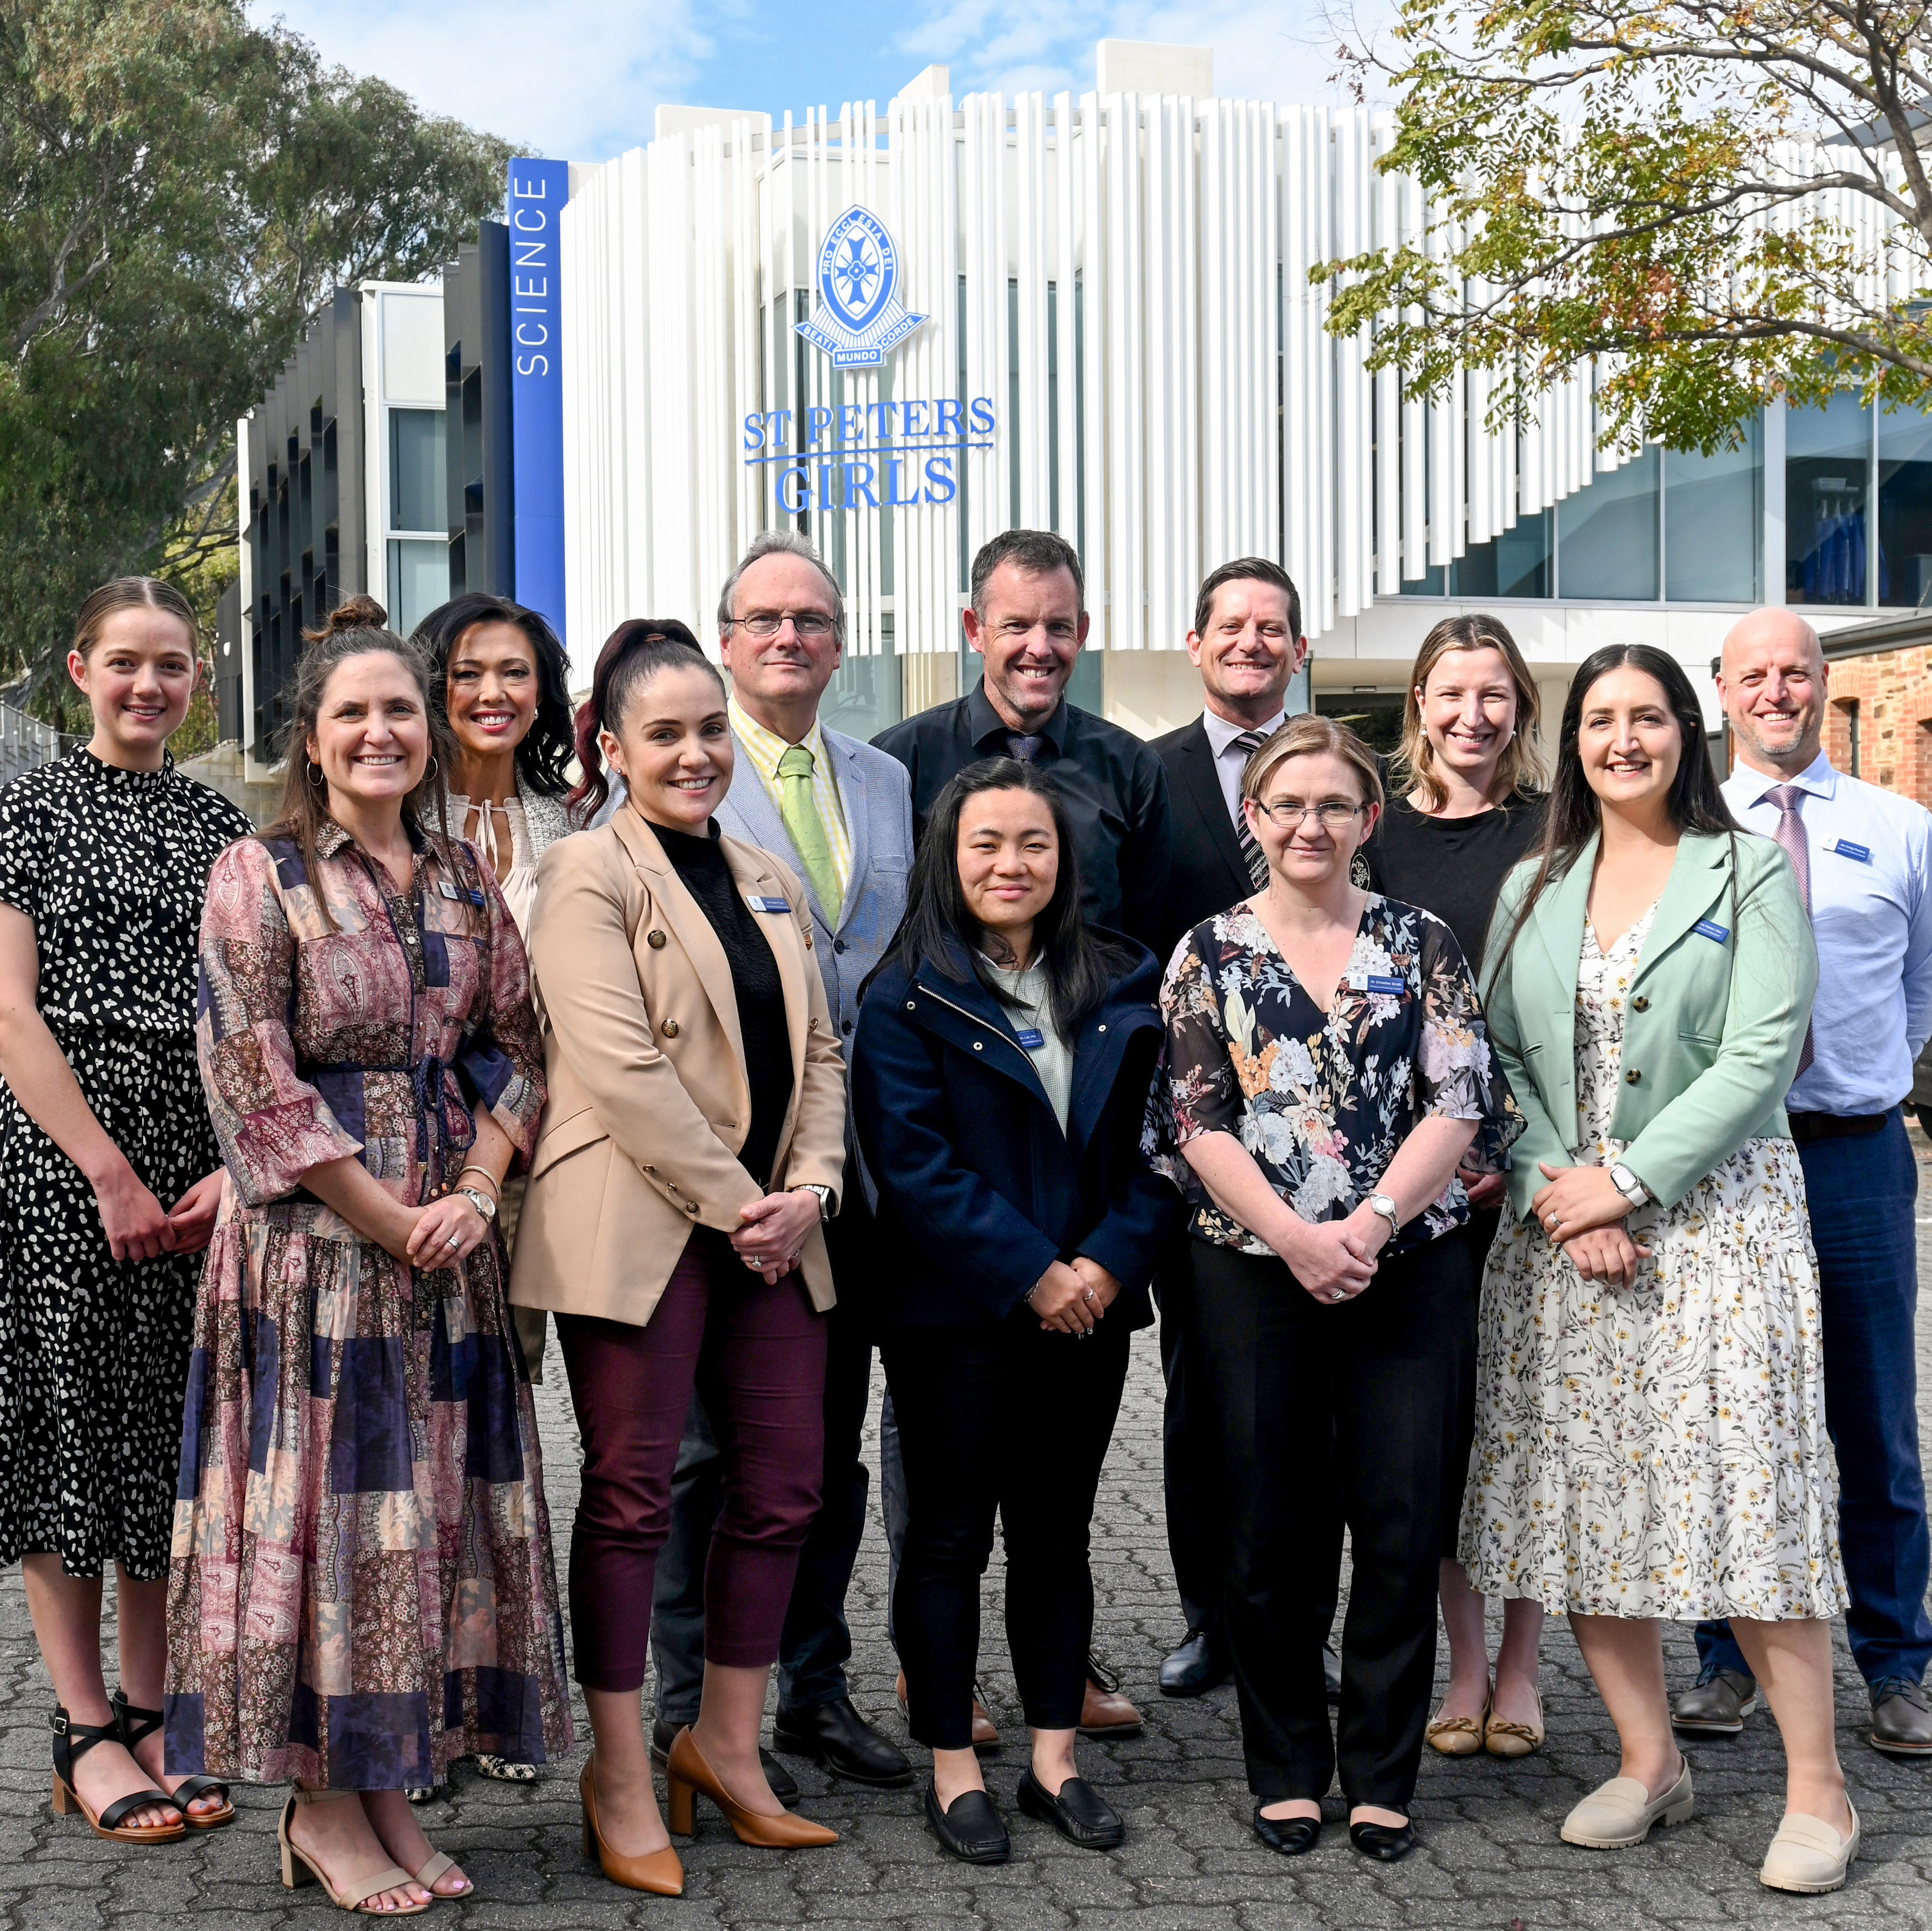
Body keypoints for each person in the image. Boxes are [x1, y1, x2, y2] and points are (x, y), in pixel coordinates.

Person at [168, 598, 572, 1915]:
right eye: (355, 711)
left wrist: (471, 1186)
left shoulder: (463, 880)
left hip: (445, 1255)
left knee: (423, 1536)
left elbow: (518, 1047)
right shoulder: (261, 874)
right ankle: (321, 1808)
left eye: (401, 707)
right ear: (314, 735)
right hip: (314, 1264)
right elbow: (251, 1081)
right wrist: (389, 1217)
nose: (383, 730)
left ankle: (393, 1786)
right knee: (327, 1538)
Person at [1466, 643, 1856, 1894]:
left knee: (1745, 1504)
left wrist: (1626, 1181)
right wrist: (1555, 1193)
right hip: (1560, 1244)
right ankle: (1647, 1760)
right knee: (1587, 1504)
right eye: (1596, 719)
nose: (1619, 739)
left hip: (1717, 1233)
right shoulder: (1533, 881)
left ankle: (1817, 1788)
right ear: (1569, 740)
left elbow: (1761, 1053)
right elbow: (1495, 1063)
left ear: (1685, 732)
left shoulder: (1745, 869)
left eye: (1644, 717)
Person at [511, 622, 848, 1894]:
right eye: (665, 733)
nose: (696, 752)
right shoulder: (582, 873)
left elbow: (820, 1053)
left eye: (711, 729)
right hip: (646, 1229)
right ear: (609, 744)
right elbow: (619, 1070)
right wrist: (742, 1201)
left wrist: (808, 1185)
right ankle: (615, 1774)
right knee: (634, 1497)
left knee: (784, 1489)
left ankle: (721, 1745)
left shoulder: (764, 870)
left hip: (773, 1229)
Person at [1158, 714, 1519, 1866]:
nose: (1307, 823)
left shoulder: (1420, 944)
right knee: (1270, 1524)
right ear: (1251, 819)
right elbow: (1194, 1121)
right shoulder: (1205, 952)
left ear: (1368, 819)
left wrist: (1361, 1226)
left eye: (1332, 804)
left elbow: (1457, 1101)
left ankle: (1378, 1772)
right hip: (1251, 1273)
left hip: (1404, 1265)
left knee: (1402, 1520)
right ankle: (1283, 1769)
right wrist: (1292, 1237)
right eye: (1285, 803)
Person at [852, 759, 1177, 1864]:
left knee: (1055, 1538)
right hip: (957, 1318)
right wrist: (1033, 1270)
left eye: (1031, 843)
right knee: (945, 1540)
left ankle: (1051, 1760)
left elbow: (1157, 1151)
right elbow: (913, 1164)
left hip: (1085, 1315)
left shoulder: (1124, 984)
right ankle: (951, 1767)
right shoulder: (903, 995)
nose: (1009, 863)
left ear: (1062, 858)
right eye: (984, 843)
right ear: (947, 856)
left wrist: (1102, 1266)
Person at [875, 525, 1170, 1735]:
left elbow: (1149, 984)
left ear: (1081, 632)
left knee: (1055, 1508)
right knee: (936, 1486)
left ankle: (1062, 1677)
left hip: (1082, 1156)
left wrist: (1100, 1254)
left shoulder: (1124, 767)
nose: (1037, 645)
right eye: (1015, 624)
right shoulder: (903, 763)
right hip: (963, 1181)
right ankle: (927, 1670)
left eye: (1058, 625)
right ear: (973, 629)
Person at [643, 532, 915, 1792]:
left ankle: (813, 1685)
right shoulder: (680, 783)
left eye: (812, 617)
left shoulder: (883, 778)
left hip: (857, 1176)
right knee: (708, 1452)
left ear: (838, 637)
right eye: (763, 620)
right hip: (729, 1177)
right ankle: (692, 1705)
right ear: (725, 636)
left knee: (826, 1450)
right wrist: (742, 1179)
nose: (789, 638)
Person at [0, 579, 251, 1847]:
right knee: (69, 1435)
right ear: (77, 669)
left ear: (196, 679)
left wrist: (233, 1161)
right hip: (63, 1155)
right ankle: (85, 1726)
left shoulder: (220, 819)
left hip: (199, 1159)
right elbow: (7, 1011)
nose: (149, 686)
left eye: (171, 666)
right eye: (125, 664)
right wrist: (104, 1167)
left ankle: (157, 1710)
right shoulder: (25, 810)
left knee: (166, 1434)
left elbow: (248, 1010)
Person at [1680, 607, 1932, 1757]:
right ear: (1719, 691)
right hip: (1721, 1164)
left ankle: (1893, 1664)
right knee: (1723, 1415)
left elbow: (1920, 990)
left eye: (1795, 672)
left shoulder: (1900, 829)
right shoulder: (1682, 835)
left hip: (1852, 1158)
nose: (1774, 691)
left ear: (1822, 684)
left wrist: (1863, 1079)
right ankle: (1723, 1665)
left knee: (1872, 1420)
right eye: (1753, 674)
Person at [1360, 613, 1550, 1761]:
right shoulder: (1375, 838)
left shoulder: (1553, 832)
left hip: (1523, 1184)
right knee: (1436, 1439)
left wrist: (1508, 1157)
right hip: (1414, 1188)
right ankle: (1462, 1669)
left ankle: (1521, 1674)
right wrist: (1426, 1168)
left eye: (1493, 694)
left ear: (1519, 708)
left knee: (1519, 1430)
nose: (1470, 715)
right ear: (1417, 706)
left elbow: (1559, 1019)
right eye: (1449, 693)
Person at [1148, 556, 1316, 1701]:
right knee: (1205, 1395)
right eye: (1231, 626)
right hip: (1194, 1147)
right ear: (1195, 643)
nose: (1251, 643)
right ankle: (1210, 1614)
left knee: (1325, 1410)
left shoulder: (1343, 775)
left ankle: (1308, 1622)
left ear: (1298, 650)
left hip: (1334, 1156)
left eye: (1272, 628)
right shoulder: (1141, 773)